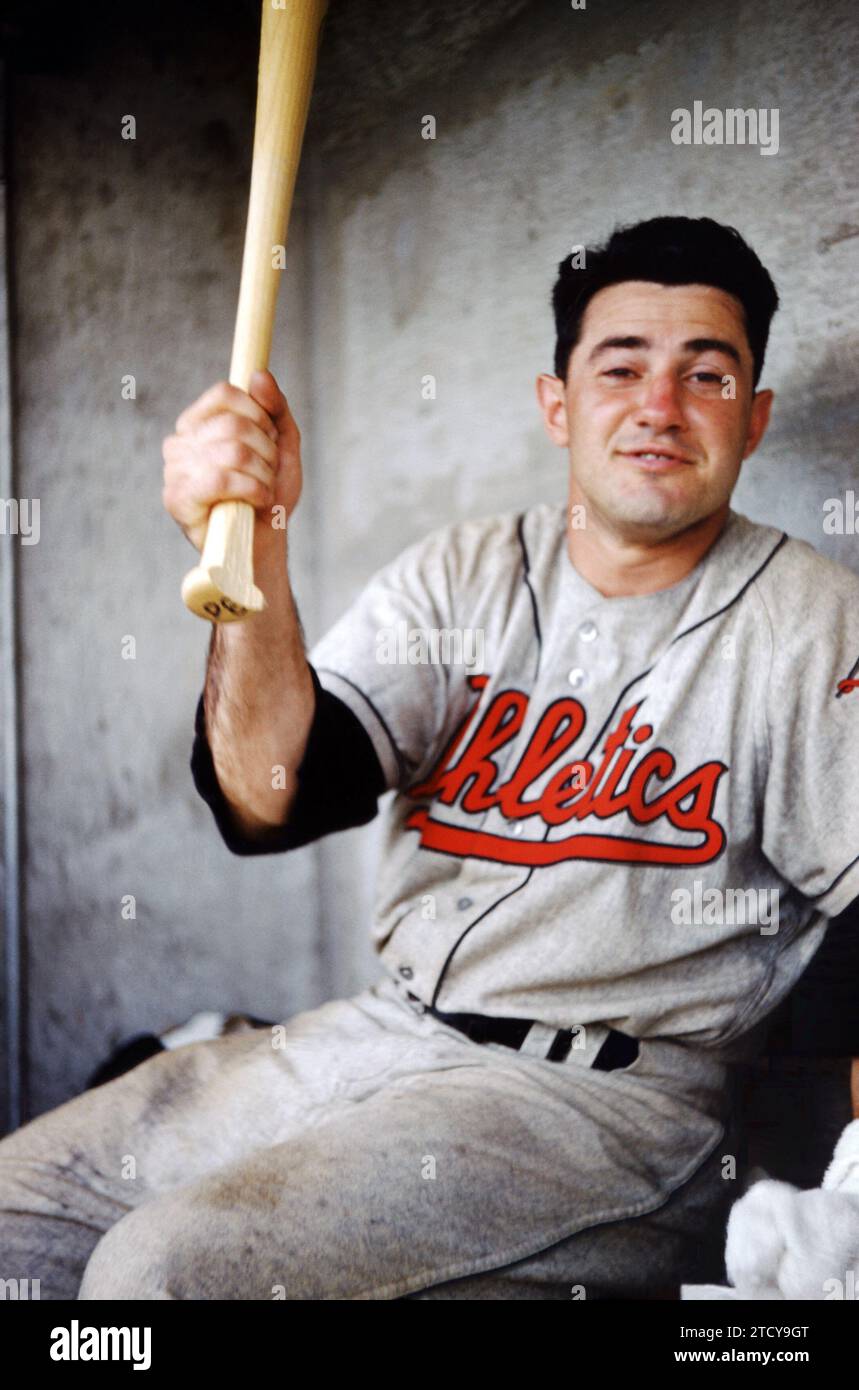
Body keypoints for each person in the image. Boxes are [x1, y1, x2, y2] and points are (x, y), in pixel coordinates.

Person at [1, 216, 856, 1301]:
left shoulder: (815, 623)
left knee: (160, 1275)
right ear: (558, 404)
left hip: (598, 1107)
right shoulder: (461, 572)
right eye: (621, 366)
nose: (659, 405)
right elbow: (265, 803)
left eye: (707, 375)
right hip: (376, 1031)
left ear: (757, 417)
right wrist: (252, 542)